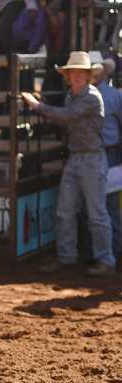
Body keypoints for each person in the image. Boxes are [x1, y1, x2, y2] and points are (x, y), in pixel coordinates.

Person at [22, 51, 116, 277]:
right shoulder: (72, 97)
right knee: (66, 210)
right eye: (73, 72)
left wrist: (36, 106)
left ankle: (104, 260)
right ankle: (69, 256)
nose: (75, 76)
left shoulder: (91, 97)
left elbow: (66, 117)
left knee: (96, 214)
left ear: (87, 76)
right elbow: (65, 117)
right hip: (79, 157)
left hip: (91, 158)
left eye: (79, 73)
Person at [79, 55, 122, 262]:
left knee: (101, 206)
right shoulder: (113, 95)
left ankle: (103, 253)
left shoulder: (111, 96)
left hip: (107, 153)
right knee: (103, 207)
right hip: (104, 152)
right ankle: (109, 252)